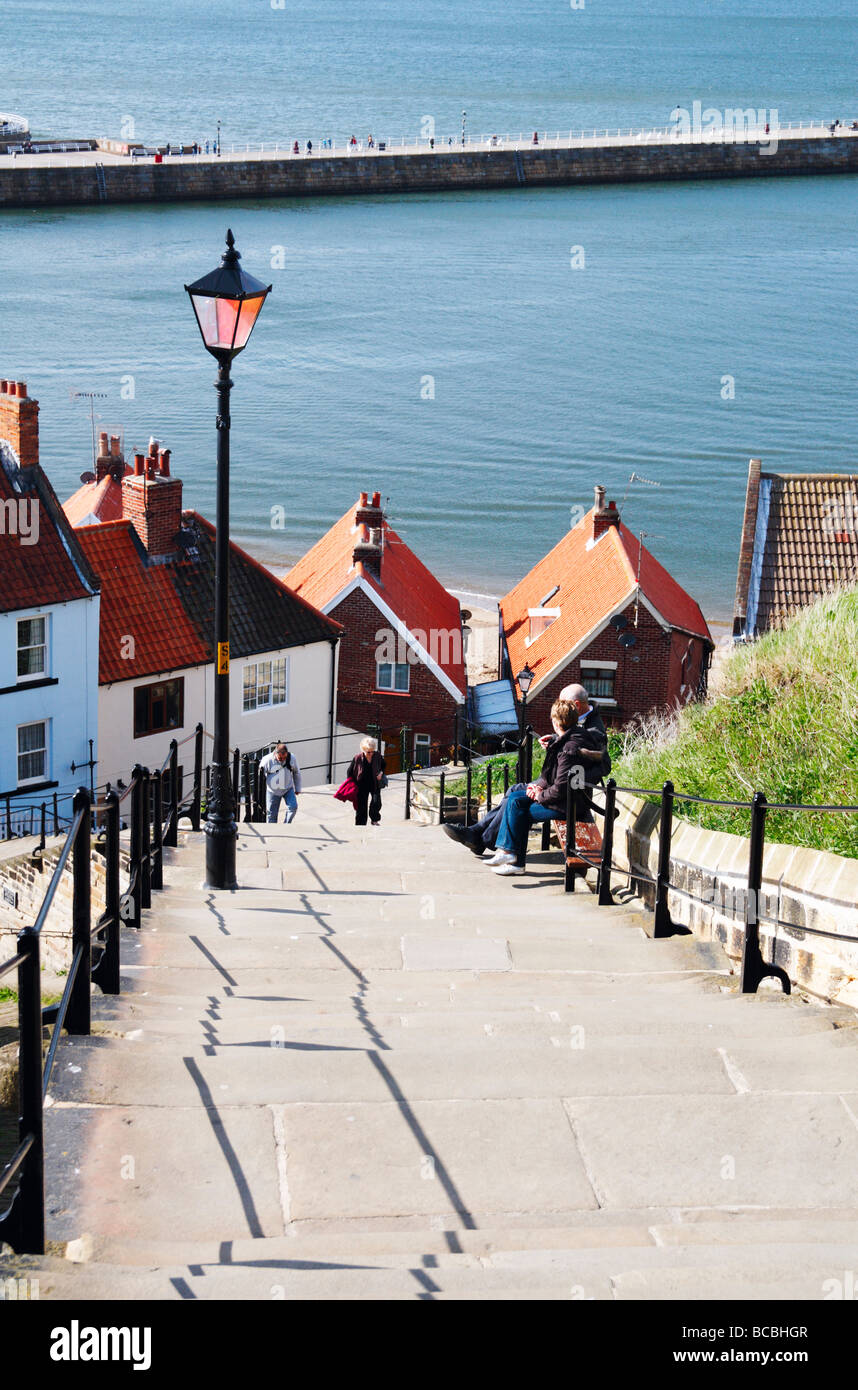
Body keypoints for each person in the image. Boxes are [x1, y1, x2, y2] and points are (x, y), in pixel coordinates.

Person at [443, 683, 607, 855]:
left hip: (566, 793)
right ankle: (479, 832)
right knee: (514, 790)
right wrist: (554, 739)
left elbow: (603, 764)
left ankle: (483, 839)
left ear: (576, 705)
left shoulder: (595, 730)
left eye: (563, 702)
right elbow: (571, 737)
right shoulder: (581, 721)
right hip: (557, 782)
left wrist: (570, 782)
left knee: (516, 800)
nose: (560, 706)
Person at [485, 699, 590, 876]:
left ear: (556, 722)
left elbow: (560, 788)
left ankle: (513, 859)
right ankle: (507, 853)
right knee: (516, 797)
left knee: (520, 809)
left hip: (569, 805)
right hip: (567, 800)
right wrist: (535, 787)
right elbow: (550, 776)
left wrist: (539, 795)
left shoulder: (568, 749)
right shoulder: (570, 739)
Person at [259, 742, 302, 823]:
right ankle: (272, 832)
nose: (283, 760)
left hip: (288, 789)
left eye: (284, 757)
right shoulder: (267, 760)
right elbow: (260, 776)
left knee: (293, 807)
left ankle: (286, 824)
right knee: (271, 816)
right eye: (280, 758)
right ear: (275, 753)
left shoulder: (291, 757)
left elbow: (296, 772)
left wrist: (298, 788)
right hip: (273, 791)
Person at [347, 737, 386, 826]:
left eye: (372, 751)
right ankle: (360, 825)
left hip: (374, 783)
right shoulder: (357, 758)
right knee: (361, 806)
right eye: (369, 752)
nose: (371, 754)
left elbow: (383, 765)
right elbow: (349, 772)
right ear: (363, 750)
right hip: (361, 785)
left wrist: (381, 773)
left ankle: (374, 820)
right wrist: (351, 785)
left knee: (376, 802)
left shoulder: (377, 756)